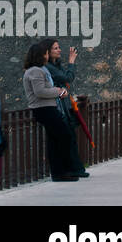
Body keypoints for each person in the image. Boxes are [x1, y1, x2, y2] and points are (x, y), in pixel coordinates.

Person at [22, 43, 80, 182]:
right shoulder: (35, 71)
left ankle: (59, 172)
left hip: (48, 107)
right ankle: (62, 171)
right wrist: (58, 91)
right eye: (46, 53)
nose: (48, 55)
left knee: (55, 140)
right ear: (41, 55)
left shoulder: (39, 70)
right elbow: (40, 91)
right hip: (44, 109)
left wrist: (58, 92)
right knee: (64, 136)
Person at [44, 40, 89, 178]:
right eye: (55, 48)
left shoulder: (56, 65)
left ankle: (76, 168)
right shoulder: (48, 67)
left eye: (58, 47)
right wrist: (71, 62)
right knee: (66, 137)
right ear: (48, 51)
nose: (59, 50)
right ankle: (71, 169)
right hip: (58, 105)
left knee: (71, 137)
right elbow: (67, 77)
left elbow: (67, 78)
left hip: (65, 104)